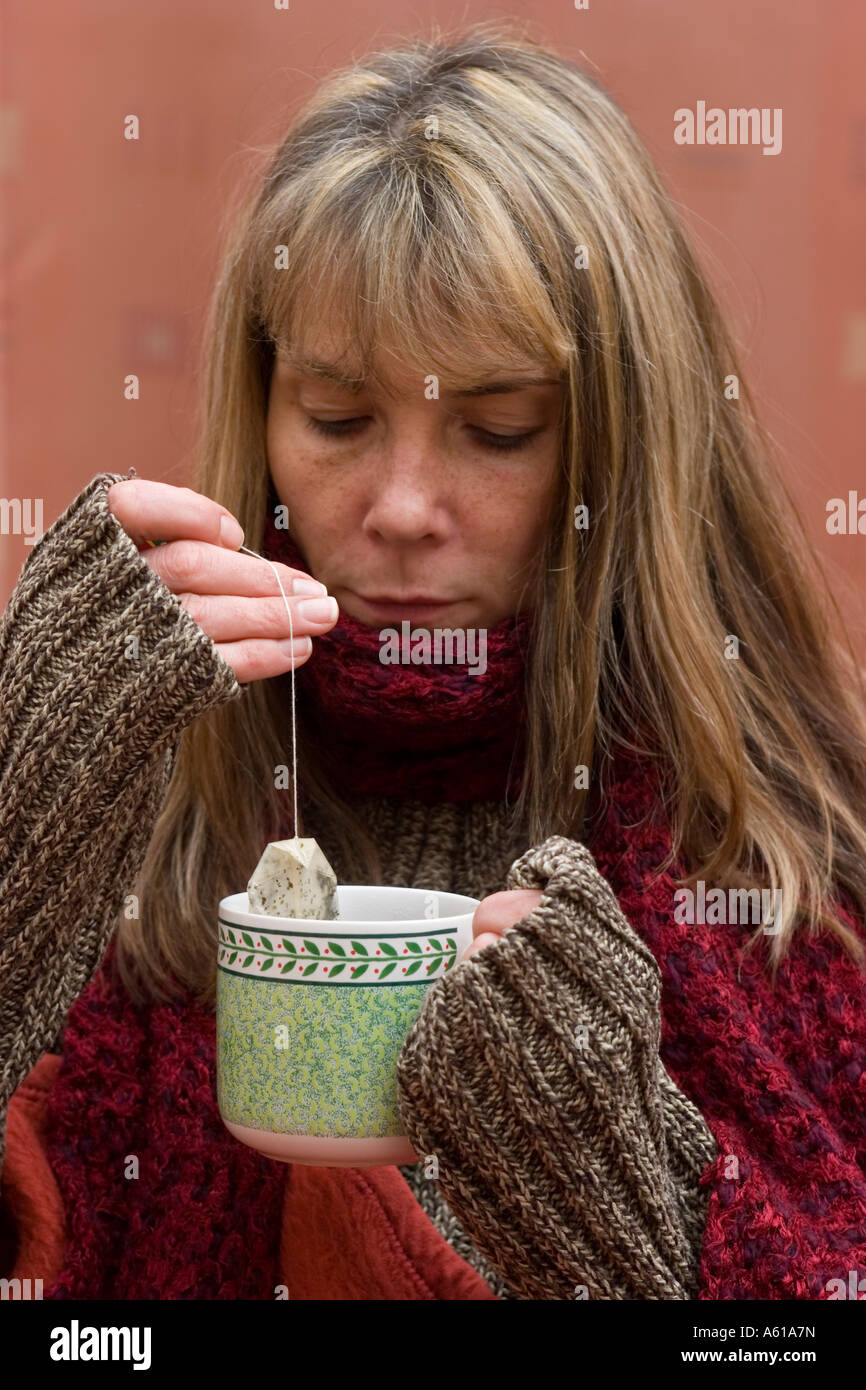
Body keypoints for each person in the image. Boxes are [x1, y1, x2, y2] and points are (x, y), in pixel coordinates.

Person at [2, 21, 866, 1302]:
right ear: (262, 410)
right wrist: (17, 857)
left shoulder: (791, 873)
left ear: (618, 450)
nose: (402, 504)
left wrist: (631, 1226)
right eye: (338, 417)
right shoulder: (129, 820)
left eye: (497, 428)